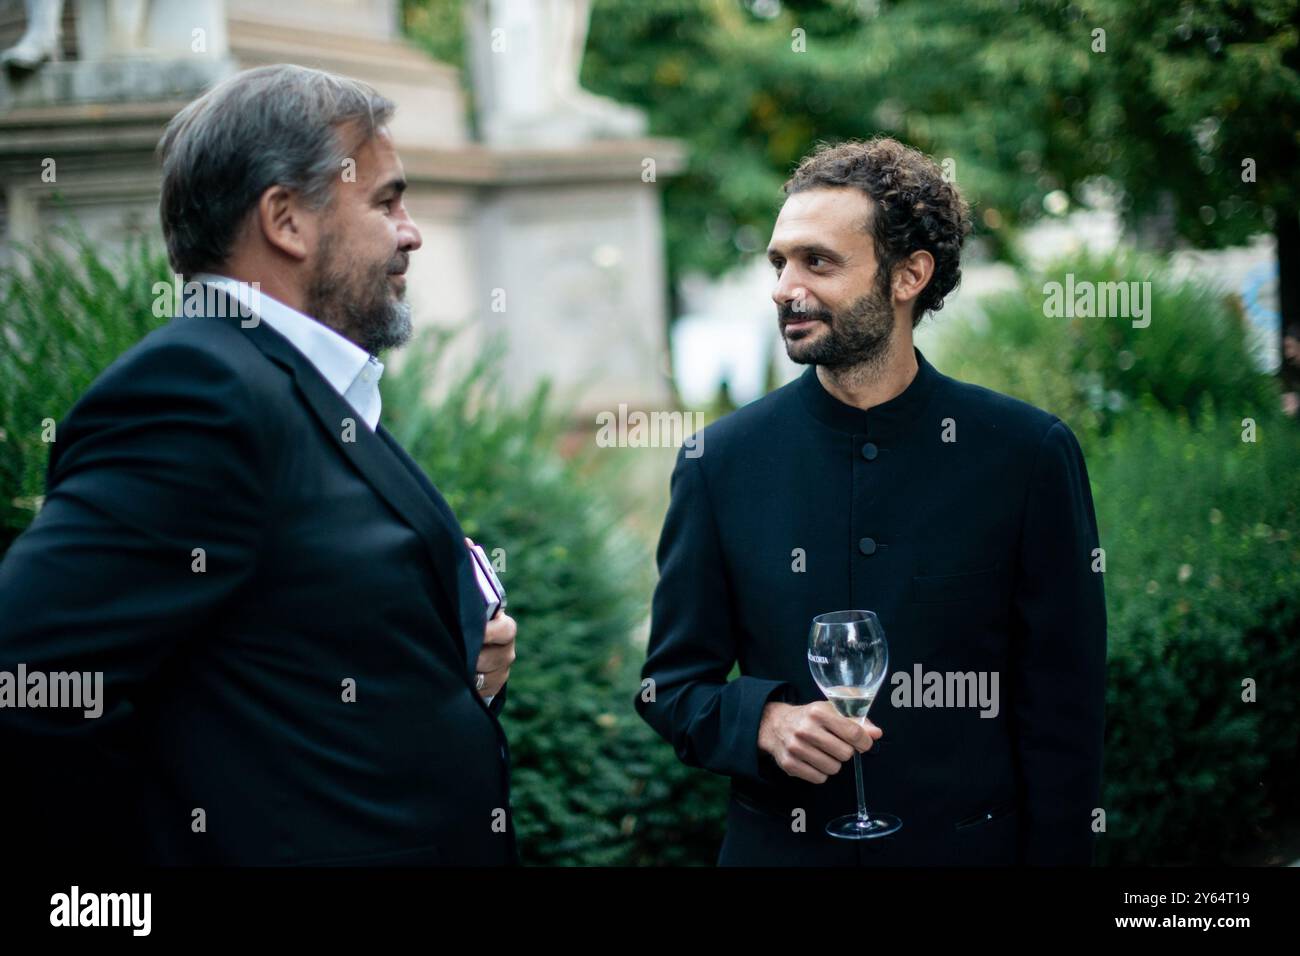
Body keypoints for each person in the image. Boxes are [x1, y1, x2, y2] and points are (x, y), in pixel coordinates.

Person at [0, 64, 518, 866]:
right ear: (286, 219)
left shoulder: (302, 383)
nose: (410, 230)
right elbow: (28, 685)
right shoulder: (197, 393)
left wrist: (455, 669)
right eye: (386, 200)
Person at [636, 137, 1106, 866]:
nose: (785, 286)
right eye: (779, 262)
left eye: (817, 261)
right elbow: (667, 688)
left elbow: (1066, 711)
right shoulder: (718, 462)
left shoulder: (1025, 453)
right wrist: (762, 721)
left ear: (909, 275)